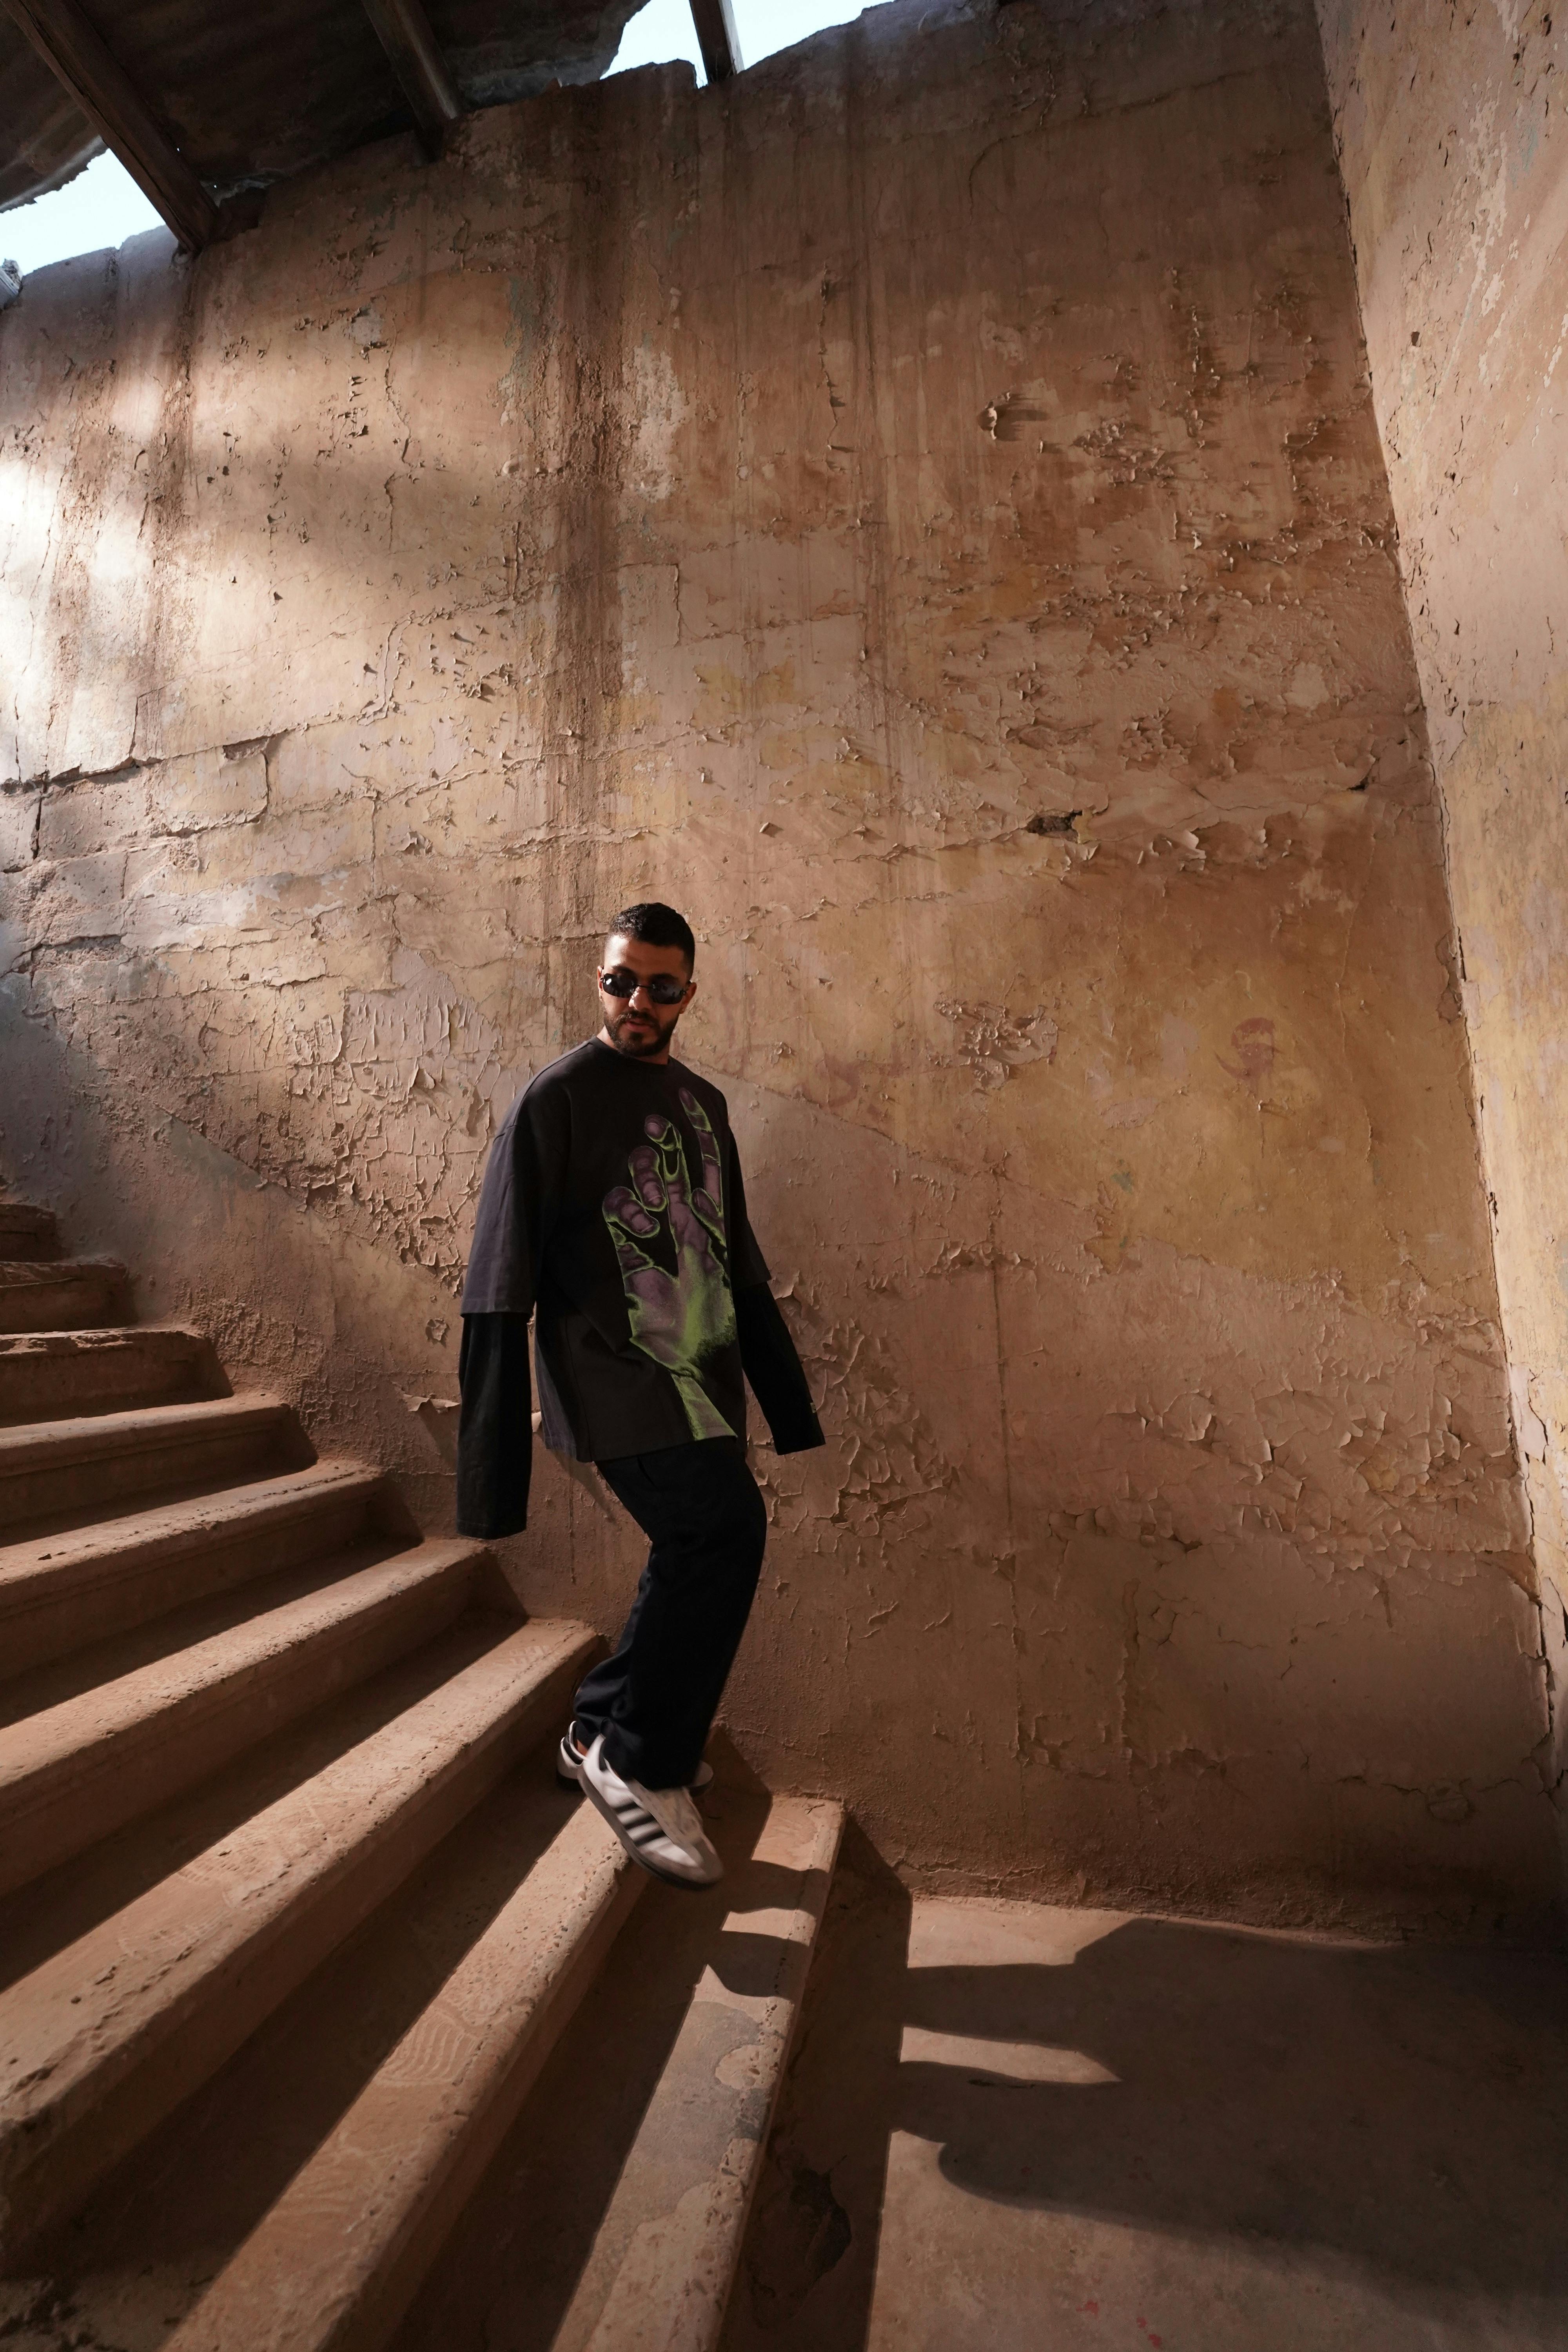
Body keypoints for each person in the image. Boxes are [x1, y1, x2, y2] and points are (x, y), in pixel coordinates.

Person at [456, 902, 824, 1888]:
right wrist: (489, 1467)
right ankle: (640, 1761)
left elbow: (735, 1255)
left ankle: (597, 1724)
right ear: (599, 980)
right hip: (611, 1379)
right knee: (721, 1533)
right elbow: (498, 1273)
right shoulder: (558, 1097)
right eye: (621, 981)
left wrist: (784, 1403)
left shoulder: (704, 1104)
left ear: (687, 994)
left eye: (661, 987)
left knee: (700, 1539)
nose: (637, 1002)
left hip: (701, 1381)